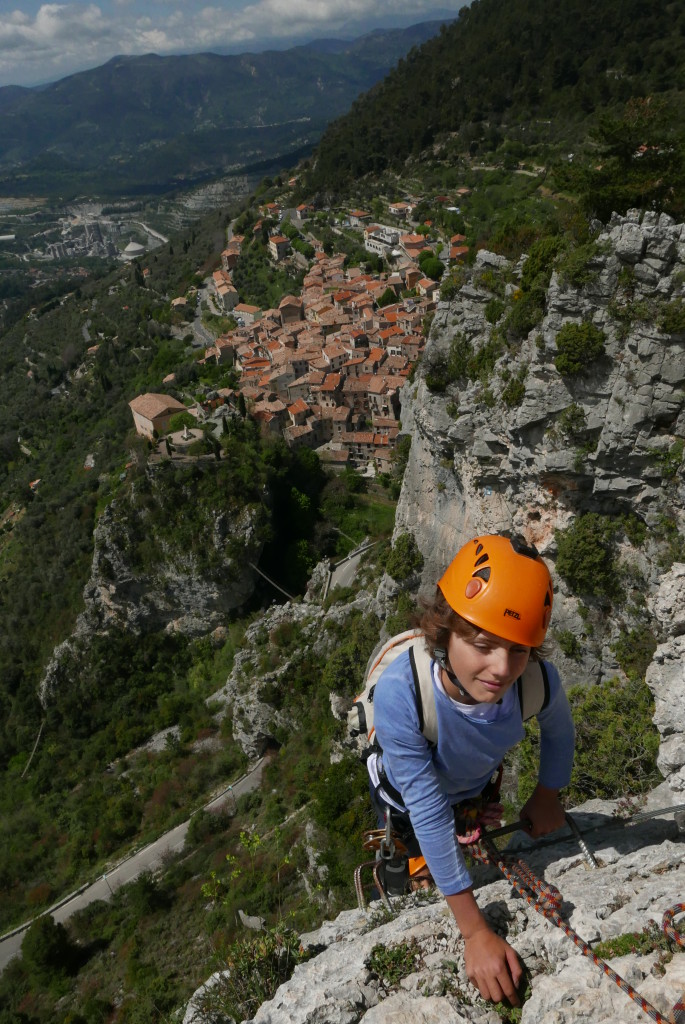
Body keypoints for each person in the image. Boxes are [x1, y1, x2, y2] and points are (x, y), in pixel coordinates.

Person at [367, 534, 575, 1007]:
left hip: (470, 781)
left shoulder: (535, 682)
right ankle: (409, 863)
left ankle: (461, 831)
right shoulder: (403, 695)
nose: (502, 669)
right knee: (415, 829)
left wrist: (548, 793)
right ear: (444, 631)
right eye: (483, 644)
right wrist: (474, 931)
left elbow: (560, 733)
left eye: (519, 650)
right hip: (406, 792)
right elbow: (425, 806)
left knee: (463, 813)